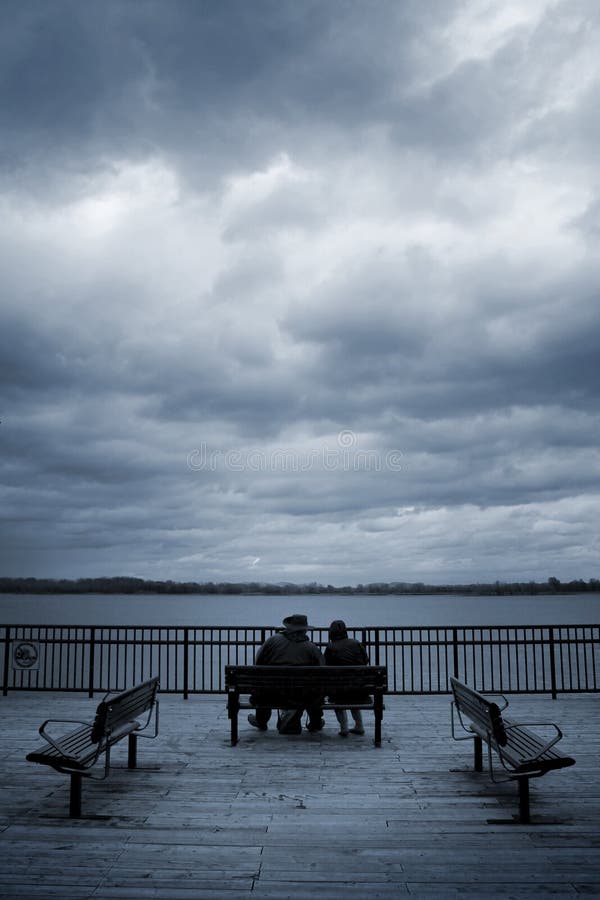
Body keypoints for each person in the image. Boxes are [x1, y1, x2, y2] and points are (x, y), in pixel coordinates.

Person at [247, 613, 325, 735]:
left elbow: (258, 663)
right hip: (301, 696)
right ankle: (315, 722)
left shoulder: (272, 641)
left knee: (263, 685)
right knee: (314, 689)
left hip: (272, 693)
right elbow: (322, 670)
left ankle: (261, 720)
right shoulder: (311, 648)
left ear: (288, 627)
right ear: (304, 630)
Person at [324, 619, 369, 736]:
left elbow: (325, 667)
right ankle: (359, 725)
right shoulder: (356, 643)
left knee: (339, 691)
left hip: (339, 691)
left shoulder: (331, 647)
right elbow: (365, 660)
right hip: (359, 690)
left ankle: (344, 727)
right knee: (352, 691)